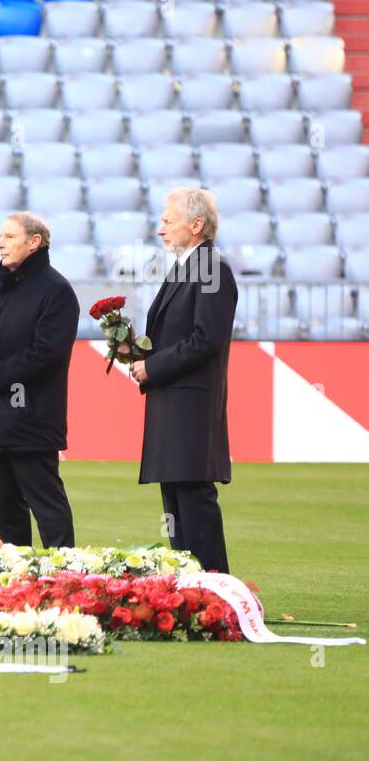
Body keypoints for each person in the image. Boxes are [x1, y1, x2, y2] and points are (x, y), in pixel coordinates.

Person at [131, 187, 237, 573]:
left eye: (167, 220)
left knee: (193, 502)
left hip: (190, 408)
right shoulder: (189, 266)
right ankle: (192, 593)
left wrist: (152, 367)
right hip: (174, 404)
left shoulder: (210, 267)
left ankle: (217, 591)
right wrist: (139, 353)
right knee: (176, 500)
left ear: (196, 224)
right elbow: (182, 337)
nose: (160, 229)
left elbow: (205, 338)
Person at [0, 212, 80, 548]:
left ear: (34, 242)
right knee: (7, 515)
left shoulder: (56, 290)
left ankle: (65, 578)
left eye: (9, 236)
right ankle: (16, 584)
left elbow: (48, 353)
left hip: (32, 419)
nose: (0, 243)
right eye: (1, 236)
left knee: (48, 507)